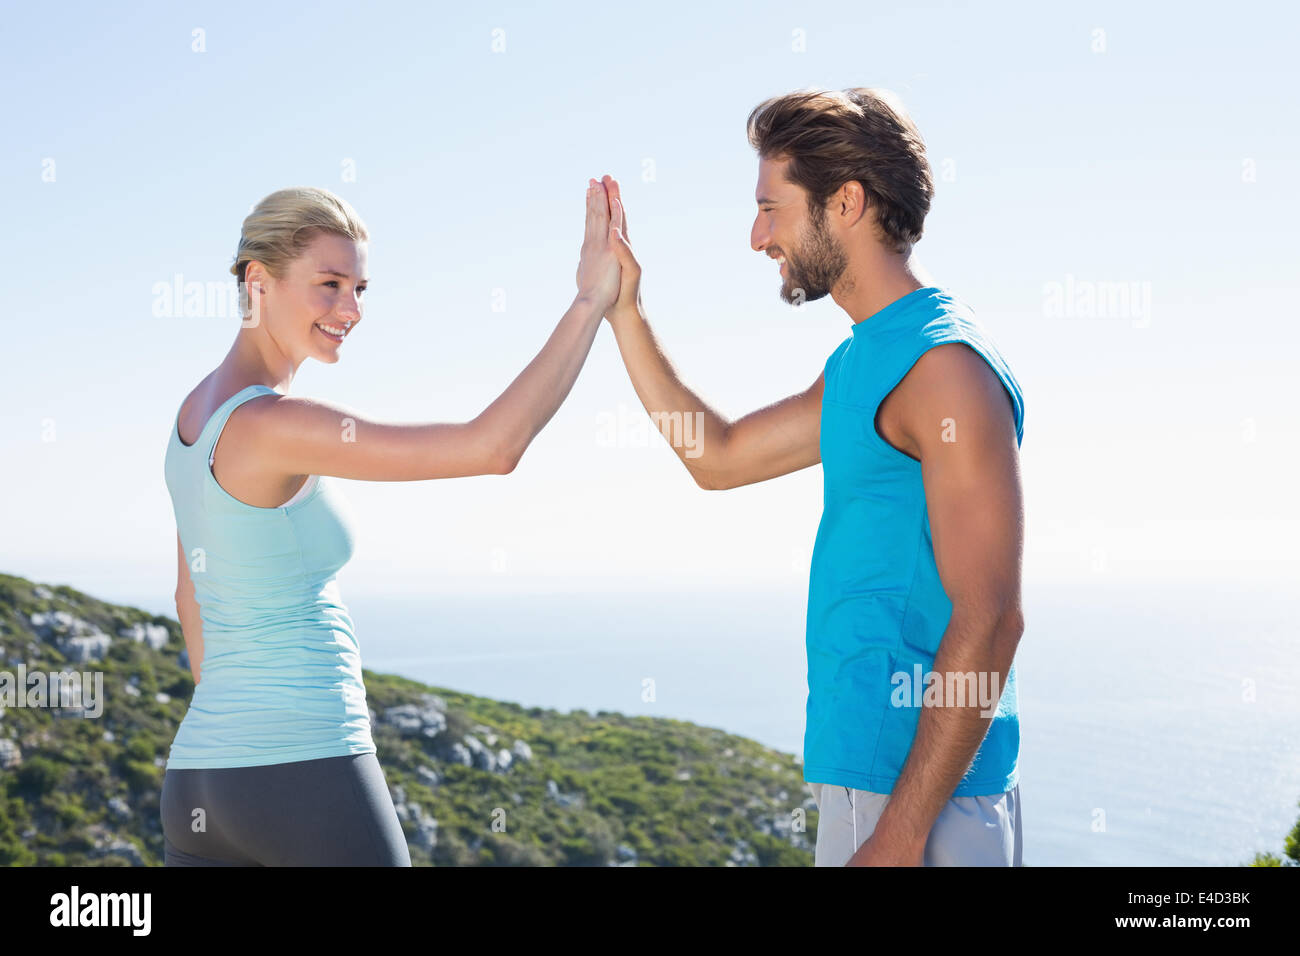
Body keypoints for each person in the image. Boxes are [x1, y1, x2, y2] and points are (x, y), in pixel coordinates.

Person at [597, 87, 1026, 866]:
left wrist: (900, 835)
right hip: (872, 782)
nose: (759, 236)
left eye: (772, 207)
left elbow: (992, 619)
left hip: (928, 801)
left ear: (847, 203)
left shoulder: (946, 370)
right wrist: (626, 310)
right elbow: (717, 457)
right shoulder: (864, 362)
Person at [160, 181, 621, 865]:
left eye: (361, 289)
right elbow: (490, 446)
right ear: (258, 281)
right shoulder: (277, 426)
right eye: (329, 284)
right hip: (305, 774)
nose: (351, 308)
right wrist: (590, 303)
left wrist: (243, 726)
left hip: (201, 780)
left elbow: (188, 595)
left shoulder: (192, 419)